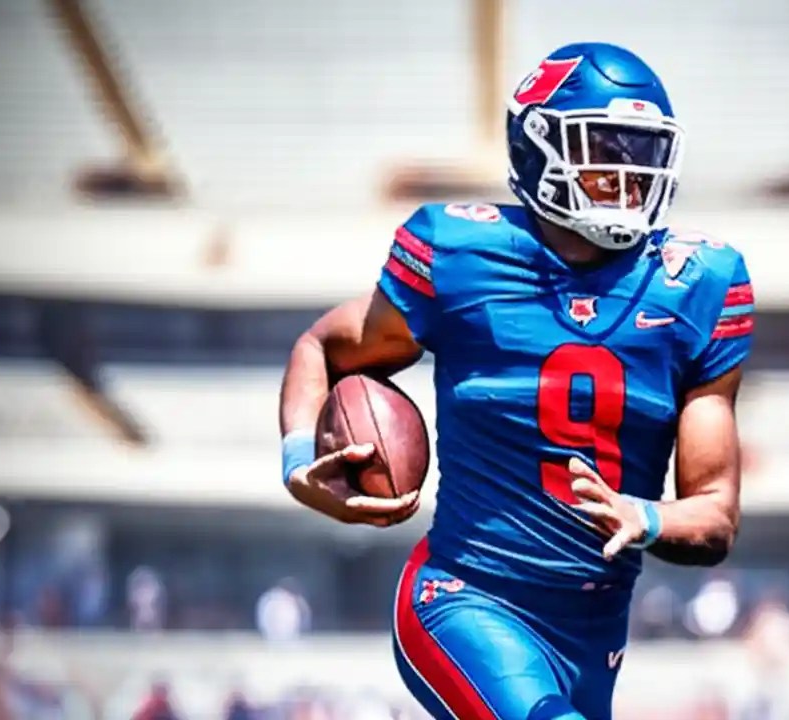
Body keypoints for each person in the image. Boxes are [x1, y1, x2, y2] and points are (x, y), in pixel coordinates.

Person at [279, 42, 754, 720]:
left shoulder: (700, 283)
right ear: (540, 148)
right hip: (465, 598)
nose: (628, 175)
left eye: (643, 153)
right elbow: (321, 348)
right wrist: (300, 459)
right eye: (607, 150)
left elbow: (714, 514)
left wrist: (642, 515)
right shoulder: (459, 252)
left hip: (594, 632)